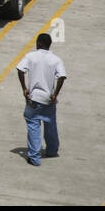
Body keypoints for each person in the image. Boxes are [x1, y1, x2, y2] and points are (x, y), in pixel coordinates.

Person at [17, 33, 66, 166]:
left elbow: (20, 70)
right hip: (48, 99)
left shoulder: (30, 56)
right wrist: (55, 94)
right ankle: (51, 150)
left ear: (38, 43)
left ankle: (34, 158)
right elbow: (62, 76)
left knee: (33, 126)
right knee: (50, 124)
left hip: (33, 98)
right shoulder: (56, 59)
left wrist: (24, 88)